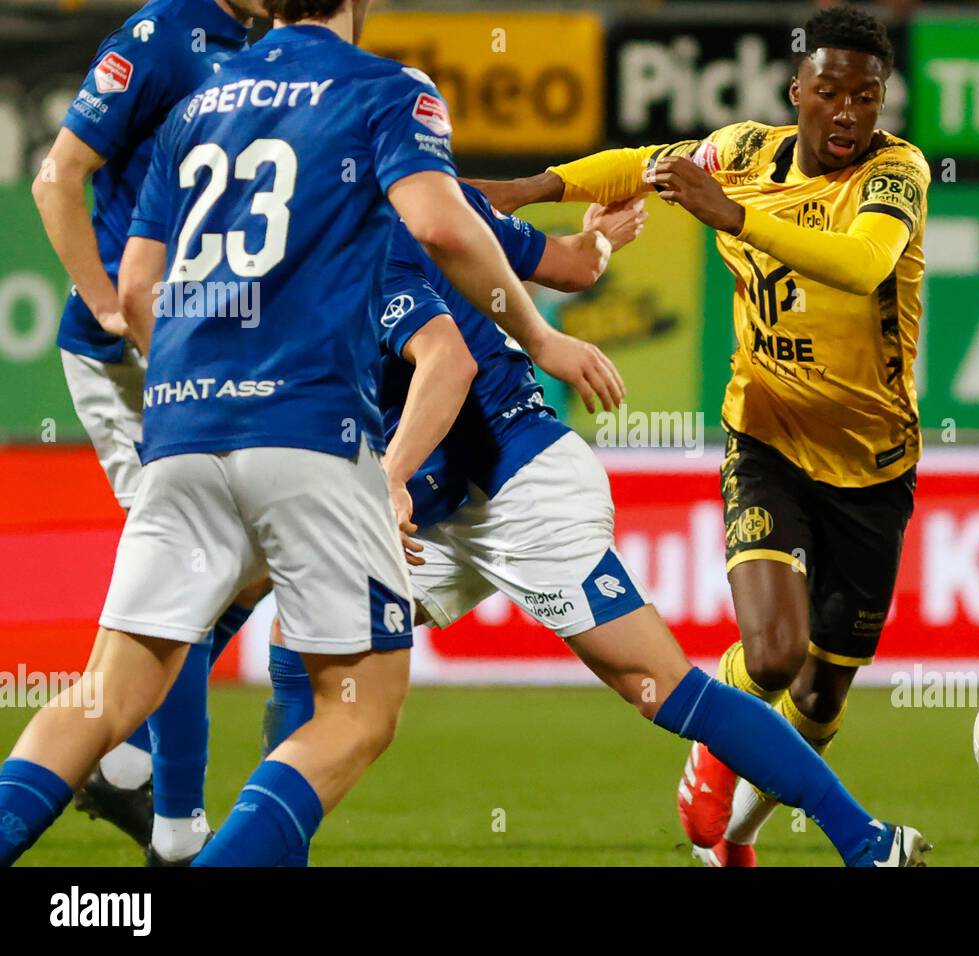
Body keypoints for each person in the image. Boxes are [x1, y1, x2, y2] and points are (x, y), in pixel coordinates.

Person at [0, 0, 620, 868]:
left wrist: (194, 378)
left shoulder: (203, 99)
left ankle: (154, 824)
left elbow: (137, 285)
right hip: (308, 429)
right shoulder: (386, 88)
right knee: (358, 711)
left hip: (181, 423)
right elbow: (443, 224)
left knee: (105, 695)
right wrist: (542, 337)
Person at [263, 180, 930, 868]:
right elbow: (576, 264)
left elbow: (448, 364)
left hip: (523, 486)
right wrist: (601, 239)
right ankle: (273, 854)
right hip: (440, 503)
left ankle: (866, 842)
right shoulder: (441, 206)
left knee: (662, 687)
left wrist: (389, 478)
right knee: (301, 626)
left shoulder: (368, 242)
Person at [470, 5, 928, 866]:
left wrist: (736, 218)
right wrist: (531, 190)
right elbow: (641, 165)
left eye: (866, 97)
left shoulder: (895, 174)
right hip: (767, 438)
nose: (847, 113)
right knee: (775, 653)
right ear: (796, 91)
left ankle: (732, 840)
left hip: (874, 465)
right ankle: (716, 744)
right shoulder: (742, 153)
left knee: (823, 697)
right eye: (829, 92)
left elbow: (864, 262)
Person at [30, 0, 273, 864]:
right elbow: (57, 176)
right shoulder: (161, 36)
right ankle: (178, 831)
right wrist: (107, 305)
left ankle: (126, 760)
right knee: (194, 570)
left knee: (252, 560)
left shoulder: (264, 43)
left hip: (207, 347)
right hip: (129, 363)